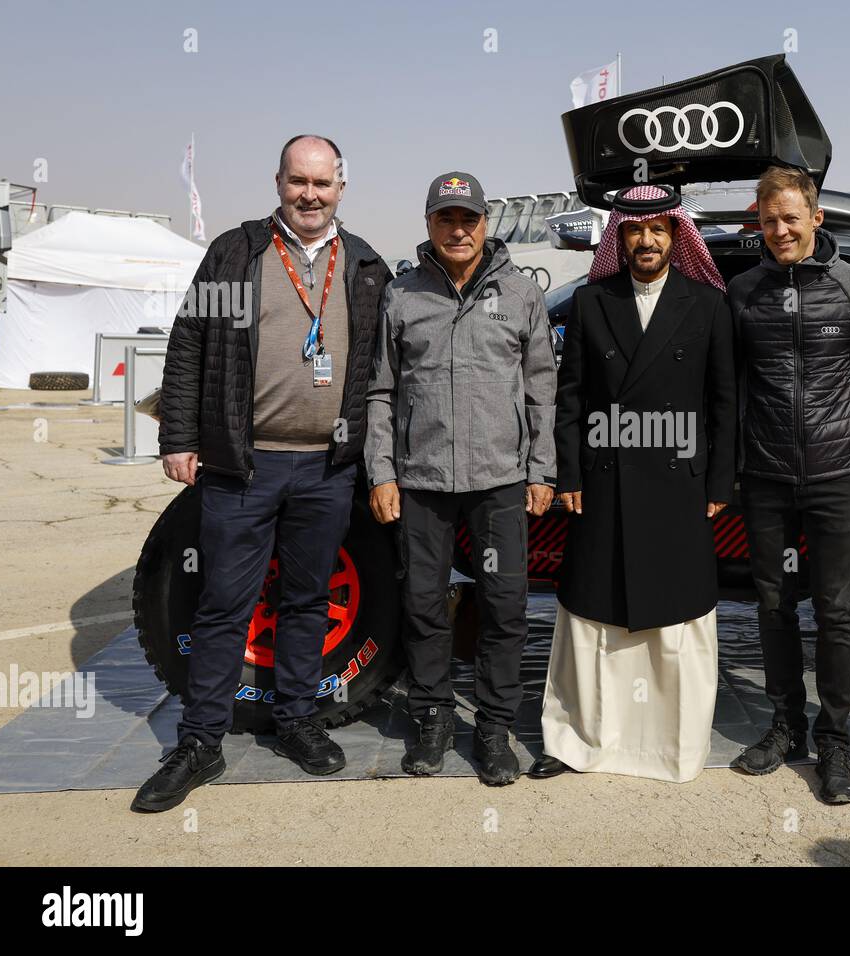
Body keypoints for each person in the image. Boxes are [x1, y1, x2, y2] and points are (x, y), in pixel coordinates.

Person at [134, 135, 393, 812]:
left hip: (328, 467)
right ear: (279, 181)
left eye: (324, 183)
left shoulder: (365, 264)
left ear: (342, 186)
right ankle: (199, 743)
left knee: (306, 601)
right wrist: (180, 434)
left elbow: (385, 370)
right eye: (298, 181)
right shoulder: (236, 252)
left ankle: (298, 721)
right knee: (225, 605)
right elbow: (190, 343)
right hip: (242, 465)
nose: (311, 194)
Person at [530, 183, 735, 783]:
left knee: (674, 614)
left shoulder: (709, 304)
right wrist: (568, 470)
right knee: (594, 613)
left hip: (680, 486)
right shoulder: (594, 301)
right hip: (604, 480)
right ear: (619, 237)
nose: (646, 240)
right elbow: (572, 396)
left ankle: (667, 747)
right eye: (634, 230)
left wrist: (719, 479)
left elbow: (724, 401)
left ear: (676, 235)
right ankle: (579, 742)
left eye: (658, 230)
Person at [364, 171, 557, 786]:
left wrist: (541, 469)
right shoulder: (402, 296)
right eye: (446, 218)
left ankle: (494, 729)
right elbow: (380, 392)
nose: (458, 229)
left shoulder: (522, 294)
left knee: (503, 606)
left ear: (485, 223)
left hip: (500, 482)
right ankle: (433, 718)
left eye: (468, 218)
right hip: (421, 481)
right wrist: (381, 471)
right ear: (429, 224)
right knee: (423, 604)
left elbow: (541, 393)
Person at [727, 165, 850, 804]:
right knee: (772, 606)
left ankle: (836, 742)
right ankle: (785, 726)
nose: (779, 231)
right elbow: (729, 380)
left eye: (791, 218)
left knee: (837, 610)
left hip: (834, 475)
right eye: (768, 221)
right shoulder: (742, 291)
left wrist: (838, 407)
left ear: (816, 218)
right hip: (764, 476)